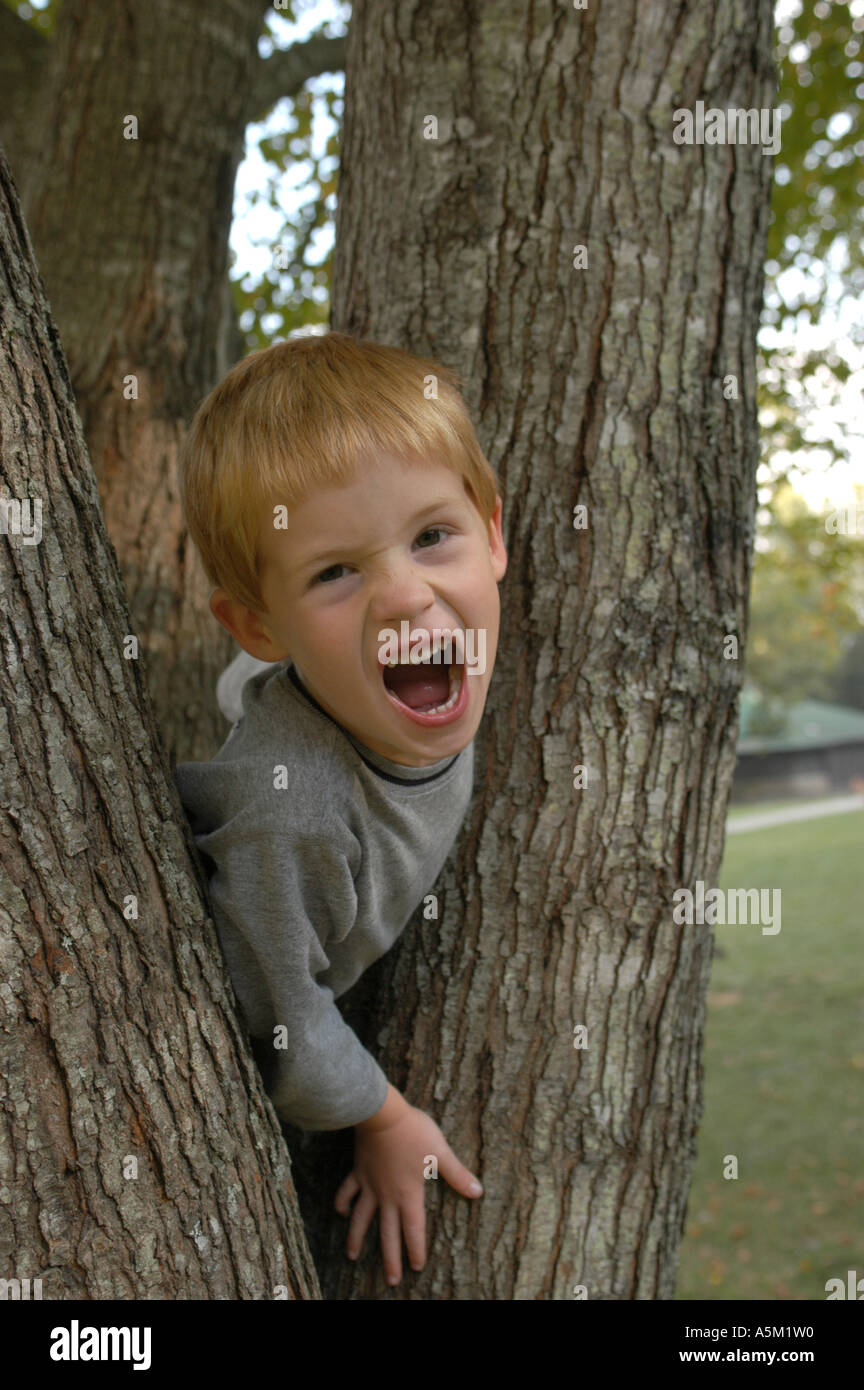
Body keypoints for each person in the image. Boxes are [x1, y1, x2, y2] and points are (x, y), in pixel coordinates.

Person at [174, 331, 507, 1287]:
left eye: (432, 536)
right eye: (335, 573)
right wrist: (384, 1117)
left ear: (493, 537)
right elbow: (277, 1010)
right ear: (259, 626)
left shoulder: (420, 661)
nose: (405, 595)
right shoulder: (298, 813)